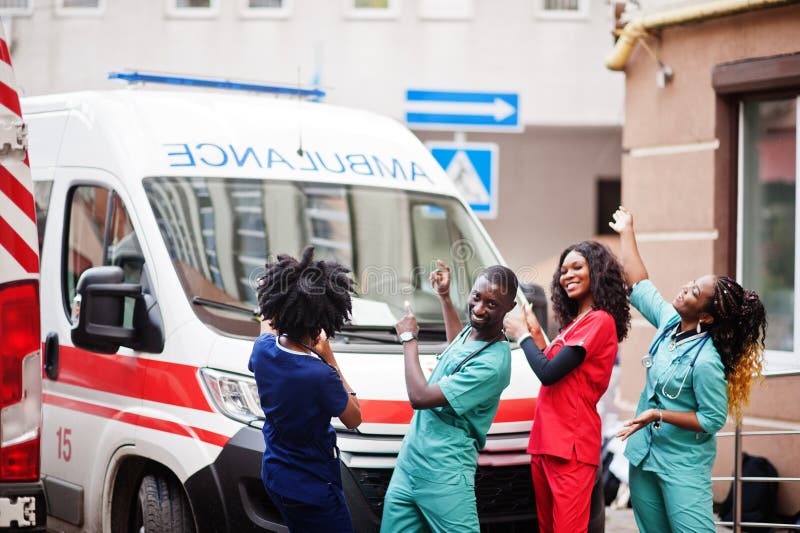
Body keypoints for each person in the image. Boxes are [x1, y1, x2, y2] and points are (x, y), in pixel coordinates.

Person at [610, 206, 767, 533]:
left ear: (707, 317)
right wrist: (627, 230)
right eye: (692, 283)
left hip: (681, 467)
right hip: (644, 458)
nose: (685, 288)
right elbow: (638, 283)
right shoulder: (670, 324)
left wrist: (659, 415)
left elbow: (712, 419)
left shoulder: (707, 361)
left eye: (695, 291)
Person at [380, 260, 518, 533]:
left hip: (445, 472)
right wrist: (444, 297)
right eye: (476, 297)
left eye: (491, 305)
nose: (479, 309)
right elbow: (458, 349)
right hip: (411, 464)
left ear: (509, 308)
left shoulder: (493, 364)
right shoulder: (475, 330)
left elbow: (419, 396)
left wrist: (409, 338)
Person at [504, 241, 630, 533]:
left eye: (577, 267)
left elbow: (548, 373)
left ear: (597, 272)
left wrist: (522, 336)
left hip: (570, 448)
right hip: (546, 442)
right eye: (563, 271)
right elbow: (552, 367)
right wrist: (535, 334)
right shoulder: (575, 324)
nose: (567, 275)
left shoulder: (600, 321)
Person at [248, 246, 362, 533]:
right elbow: (354, 417)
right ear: (324, 321)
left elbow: (267, 325)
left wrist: (268, 298)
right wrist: (330, 357)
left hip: (277, 475)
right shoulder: (320, 374)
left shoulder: (263, 350)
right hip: (313, 488)